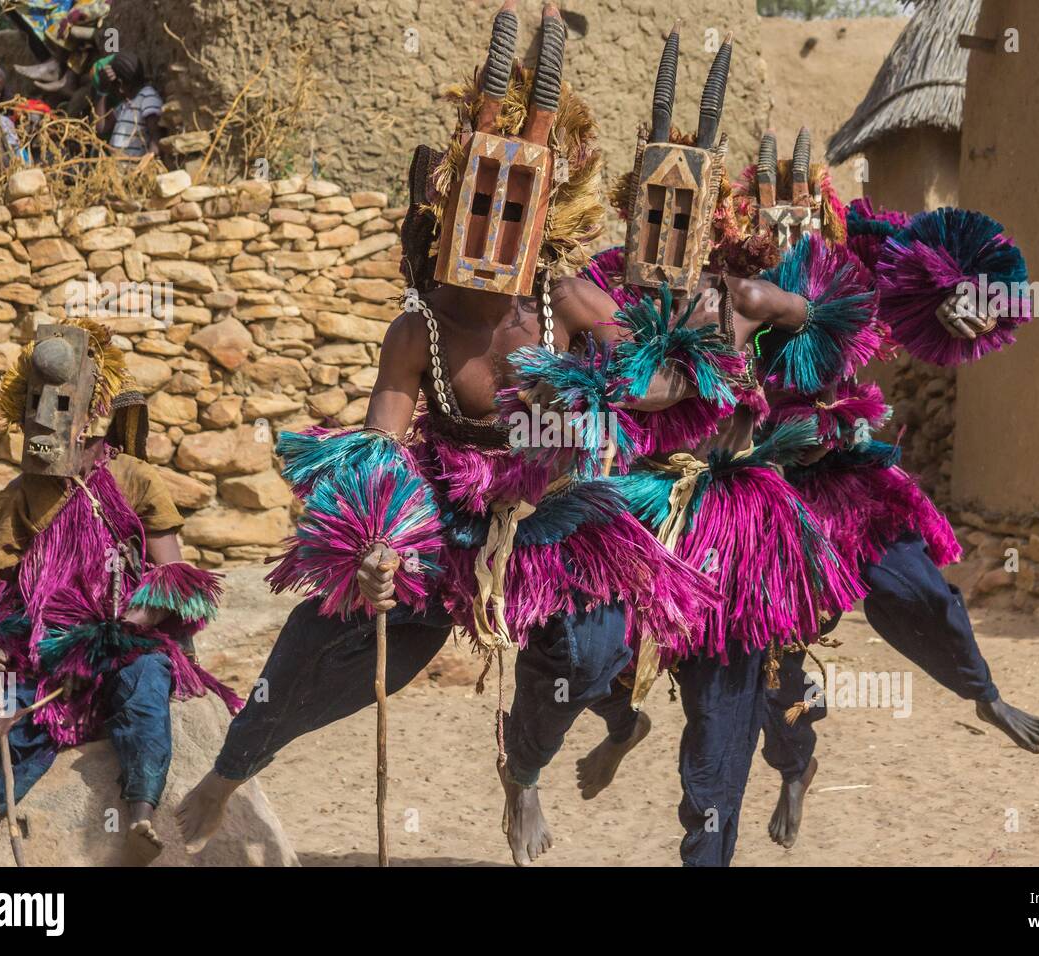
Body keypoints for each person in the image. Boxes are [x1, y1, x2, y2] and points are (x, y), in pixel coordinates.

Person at [175, 2, 717, 868]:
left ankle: (525, 769)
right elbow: (381, 450)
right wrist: (377, 544)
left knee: (589, 648)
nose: (498, 226)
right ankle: (235, 764)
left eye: (518, 206)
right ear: (453, 203)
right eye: (484, 201)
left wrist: (662, 365)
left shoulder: (562, 293)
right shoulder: (416, 329)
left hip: (558, 506)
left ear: (542, 212)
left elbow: (650, 381)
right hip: (448, 509)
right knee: (330, 629)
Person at [560, 25, 868, 867]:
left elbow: (826, 323)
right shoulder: (603, 296)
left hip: (735, 523)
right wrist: (702, 379)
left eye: (681, 209)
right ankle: (616, 720)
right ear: (631, 207)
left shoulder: (742, 299)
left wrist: (792, 320)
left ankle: (718, 835)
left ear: (706, 221)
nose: (663, 222)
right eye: (650, 206)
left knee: (729, 707)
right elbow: (605, 389)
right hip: (636, 511)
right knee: (581, 655)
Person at [730, 129, 1039, 848]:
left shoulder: (851, 245)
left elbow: (932, 252)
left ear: (816, 202)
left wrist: (969, 296)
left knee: (921, 590)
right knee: (777, 642)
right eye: (770, 206)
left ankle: (983, 693)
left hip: (849, 476)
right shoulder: (730, 274)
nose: (786, 220)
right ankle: (793, 767)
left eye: (799, 203)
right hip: (768, 486)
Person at [0, 319, 239, 866]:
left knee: (145, 687)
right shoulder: (19, 496)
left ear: (95, 411)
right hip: (42, 652)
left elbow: (175, 578)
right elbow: (1, 594)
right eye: (33, 405)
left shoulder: (136, 479)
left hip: (126, 641)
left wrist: (120, 632)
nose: (43, 420)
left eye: (62, 405)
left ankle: (140, 812)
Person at [96, 53, 163, 161]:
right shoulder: (125, 105)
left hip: (133, 170)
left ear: (120, 85)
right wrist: (101, 92)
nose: (112, 91)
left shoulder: (147, 97)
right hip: (116, 170)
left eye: (113, 86)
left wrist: (145, 168)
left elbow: (155, 137)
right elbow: (100, 128)